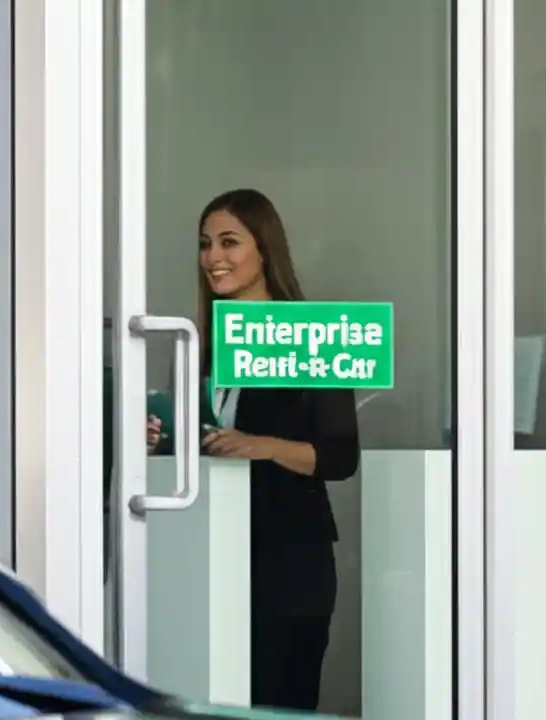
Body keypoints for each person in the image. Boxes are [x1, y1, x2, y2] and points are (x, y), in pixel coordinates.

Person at [151, 188, 360, 711]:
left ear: (264, 250)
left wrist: (262, 446)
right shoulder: (196, 343)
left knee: (279, 702)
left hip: (288, 563)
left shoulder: (311, 335)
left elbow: (339, 457)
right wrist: (161, 440)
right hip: (207, 557)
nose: (213, 258)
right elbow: (202, 440)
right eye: (205, 245)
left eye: (228, 242)